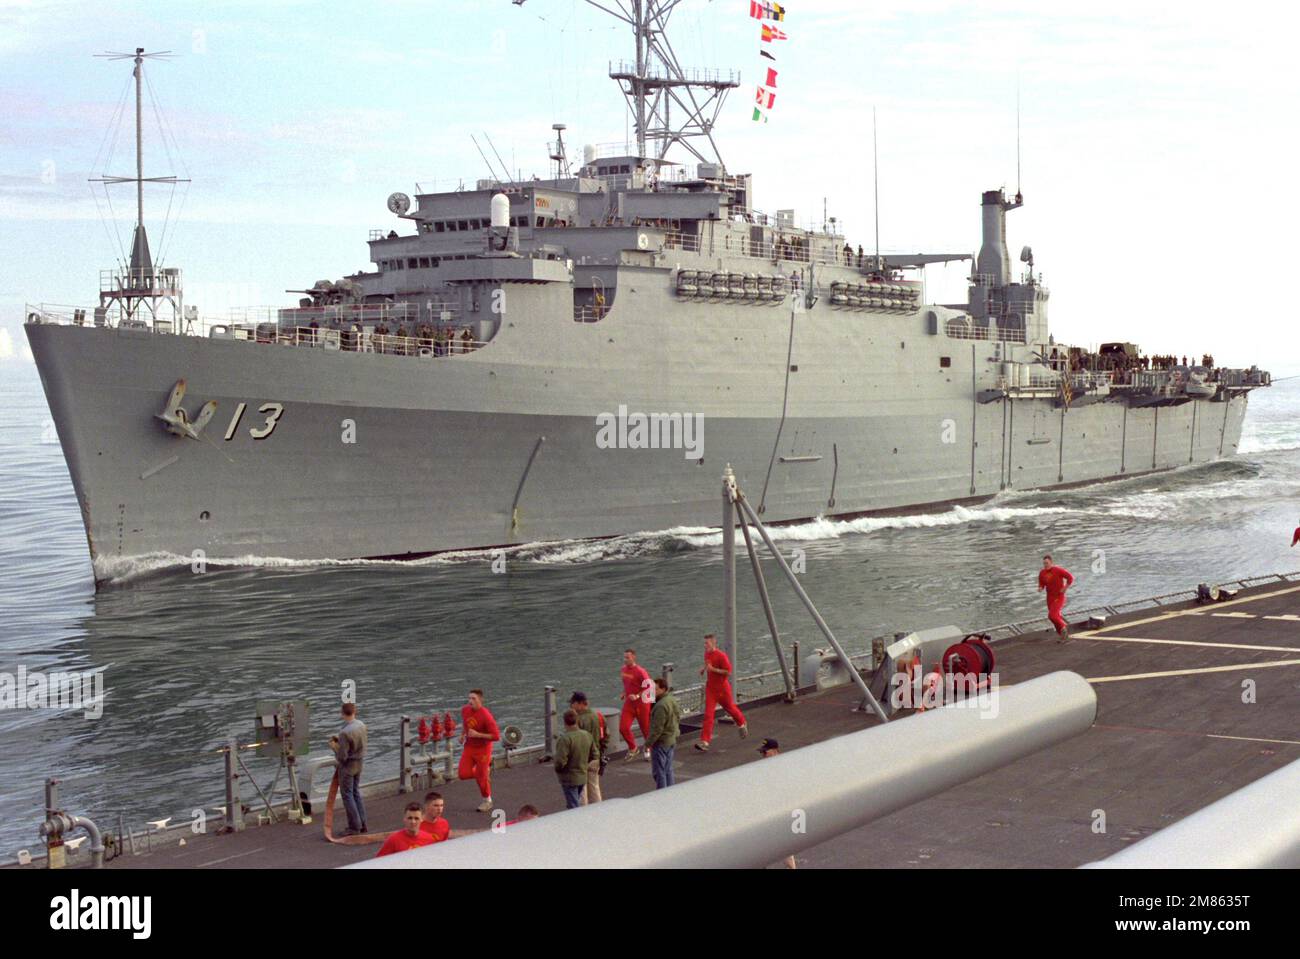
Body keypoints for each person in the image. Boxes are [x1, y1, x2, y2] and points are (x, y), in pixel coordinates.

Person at [695, 633, 748, 751]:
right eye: (704, 643)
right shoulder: (707, 653)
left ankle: (742, 722)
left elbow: (728, 672)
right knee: (708, 714)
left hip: (722, 688)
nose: (705, 645)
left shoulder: (721, 656)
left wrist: (713, 670)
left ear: (714, 643)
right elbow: (708, 663)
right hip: (711, 688)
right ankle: (705, 741)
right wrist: (703, 669)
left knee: (730, 708)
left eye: (707, 643)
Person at [458, 689, 500, 812]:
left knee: (481, 779)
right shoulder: (465, 710)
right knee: (463, 774)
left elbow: (496, 736)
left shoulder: (486, 716)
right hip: (469, 747)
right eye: (469, 698)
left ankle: (487, 801)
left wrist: (478, 735)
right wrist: (462, 735)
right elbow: (466, 724)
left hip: (483, 749)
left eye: (473, 699)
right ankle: (484, 772)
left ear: (480, 700)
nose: (470, 701)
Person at [758, 739, 797, 869]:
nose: (763, 756)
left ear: (774, 751)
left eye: (765, 753)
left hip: (780, 812)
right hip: (769, 812)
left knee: (783, 846)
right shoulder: (765, 768)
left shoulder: (782, 767)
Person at [330, 702, 368, 836]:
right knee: (356, 792)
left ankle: (354, 826)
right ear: (354, 711)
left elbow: (342, 757)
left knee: (347, 795)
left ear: (342, 713)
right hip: (360, 762)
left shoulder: (344, 732)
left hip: (348, 766)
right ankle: (363, 823)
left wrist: (334, 746)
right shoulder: (361, 725)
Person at [569, 692, 608, 805]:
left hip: (581, 759)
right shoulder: (599, 716)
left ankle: (583, 814)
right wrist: (600, 751)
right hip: (596, 757)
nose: (572, 706)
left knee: (581, 790)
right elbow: (606, 736)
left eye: (573, 703)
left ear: (580, 703)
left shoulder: (577, 720)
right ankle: (598, 811)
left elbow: (573, 740)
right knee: (594, 787)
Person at [554, 709, 597, 810]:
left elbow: (560, 761)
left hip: (569, 778)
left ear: (564, 722)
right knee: (576, 801)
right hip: (582, 775)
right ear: (577, 720)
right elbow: (595, 754)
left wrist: (558, 769)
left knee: (573, 806)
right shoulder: (587, 735)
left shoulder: (565, 739)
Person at [619, 649, 653, 762]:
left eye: (627, 657)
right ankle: (633, 748)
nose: (625, 660)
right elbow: (627, 684)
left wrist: (638, 696)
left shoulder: (640, 671)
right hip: (629, 703)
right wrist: (624, 692)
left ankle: (648, 748)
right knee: (623, 728)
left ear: (634, 657)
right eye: (624, 657)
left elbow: (649, 686)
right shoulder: (623, 670)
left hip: (642, 703)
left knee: (645, 729)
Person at [647, 676, 680, 789]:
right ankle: (670, 790)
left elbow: (657, 729)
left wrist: (648, 743)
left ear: (663, 689)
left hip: (661, 742)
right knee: (668, 768)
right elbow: (677, 716)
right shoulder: (671, 700)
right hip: (671, 739)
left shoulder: (660, 706)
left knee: (659, 771)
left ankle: (661, 793)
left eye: (655, 689)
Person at [1038, 554, 1075, 641]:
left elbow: (1070, 578)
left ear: (1051, 562)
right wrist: (1040, 587)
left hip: (1059, 597)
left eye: (1047, 563)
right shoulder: (1042, 572)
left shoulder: (1057, 570)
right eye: (1044, 563)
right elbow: (1041, 582)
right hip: (1049, 598)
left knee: (1052, 615)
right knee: (1053, 617)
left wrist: (1065, 588)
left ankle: (1063, 627)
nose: (1045, 565)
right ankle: (1062, 635)